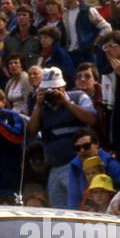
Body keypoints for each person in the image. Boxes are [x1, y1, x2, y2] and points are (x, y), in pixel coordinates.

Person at [28, 67, 97, 208]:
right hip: (54, 167)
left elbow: (92, 119)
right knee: (58, 212)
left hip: (75, 164)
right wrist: (38, 105)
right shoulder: (42, 107)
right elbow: (32, 130)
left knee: (77, 208)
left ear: (63, 86)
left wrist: (66, 102)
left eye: (54, 89)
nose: (51, 94)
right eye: (47, 90)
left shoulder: (78, 96)